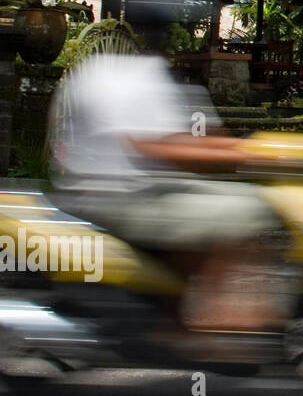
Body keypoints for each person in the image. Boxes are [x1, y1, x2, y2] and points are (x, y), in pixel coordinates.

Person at [48, 53, 286, 333]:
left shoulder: (159, 76)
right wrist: (243, 155)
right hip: (114, 192)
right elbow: (152, 146)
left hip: (150, 187)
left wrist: (255, 150)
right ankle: (198, 325)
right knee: (244, 209)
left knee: (245, 199)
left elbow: (197, 136)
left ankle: (178, 310)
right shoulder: (115, 76)